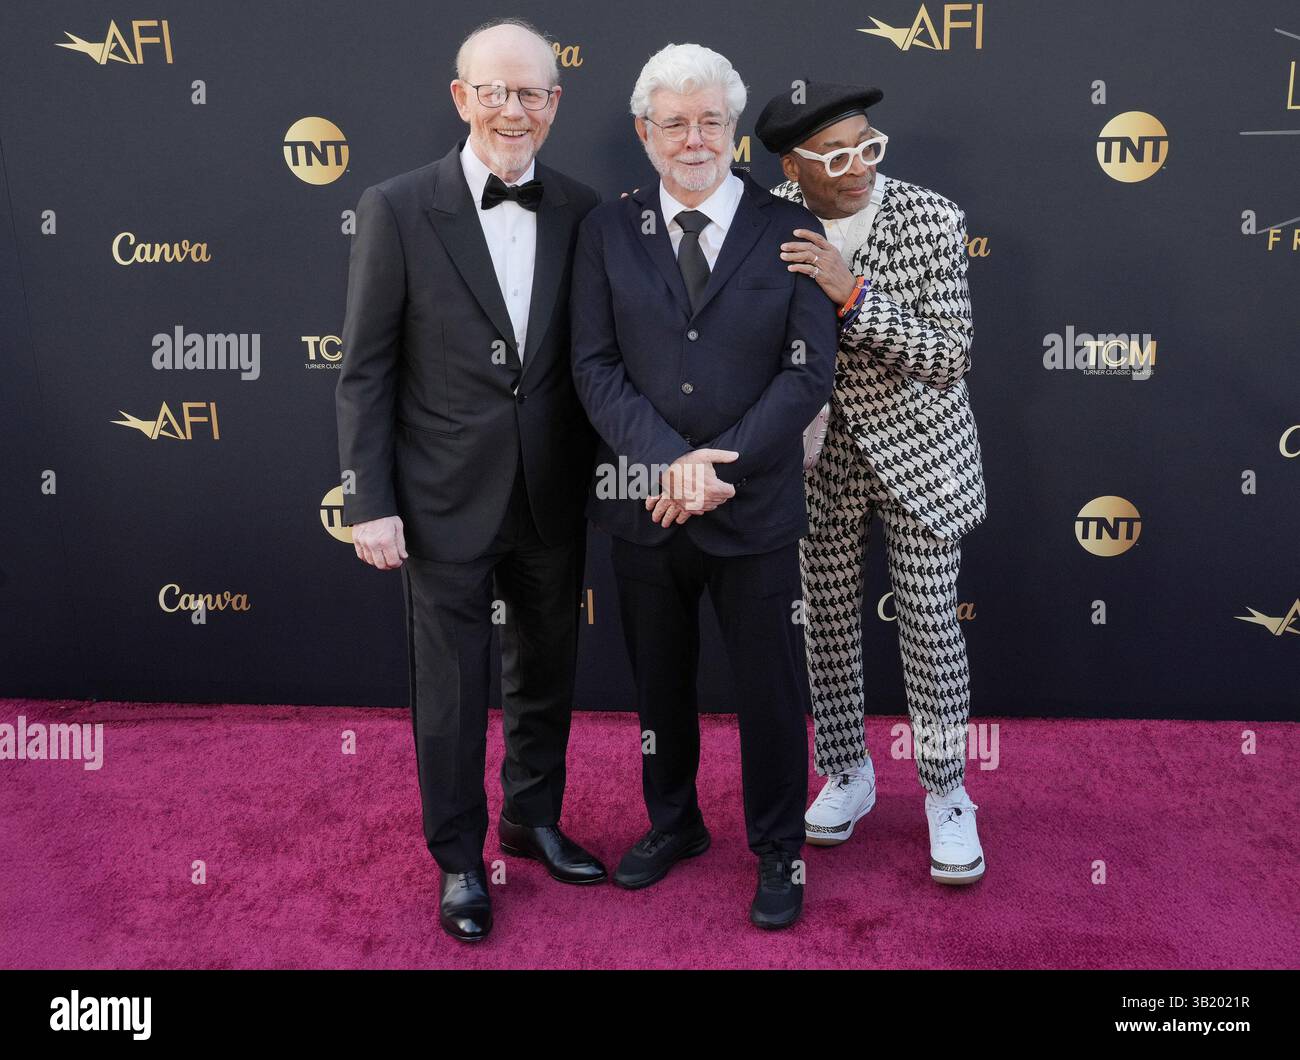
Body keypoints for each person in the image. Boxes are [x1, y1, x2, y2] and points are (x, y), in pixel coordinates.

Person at [334, 18, 605, 943]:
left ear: (555, 105)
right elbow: (364, 369)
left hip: (554, 493)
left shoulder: (584, 209)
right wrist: (370, 500)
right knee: (450, 691)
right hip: (440, 500)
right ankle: (457, 861)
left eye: (530, 93)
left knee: (548, 673)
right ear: (461, 98)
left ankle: (531, 822)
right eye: (493, 91)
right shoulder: (397, 207)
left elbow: (596, 361)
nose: (512, 109)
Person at [570, 44, 837, 928]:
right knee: (660, 685)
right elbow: (595, 366)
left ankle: (779, 849)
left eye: (711, 121)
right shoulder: (606, 232)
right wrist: (668, 464)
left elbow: (806, 377)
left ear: (734, 132)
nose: (694, 139)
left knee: (767, 690)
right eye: (675, 123)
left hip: (752, 506)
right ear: (645, 133)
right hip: (648, 506)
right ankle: (674, 823)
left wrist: (717, 466)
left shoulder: (791, 227)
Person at [755, 81, 989, 884]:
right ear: (795, 164)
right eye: (837, 157)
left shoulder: (931, 217)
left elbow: (947, 357)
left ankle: (947, 790)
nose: (858, 169)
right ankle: (848, 772)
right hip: (814, 457)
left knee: (929, 624)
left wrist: (850, 294)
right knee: (825, 623)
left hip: (922, 453)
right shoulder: (767, 214)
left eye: (869, 148)